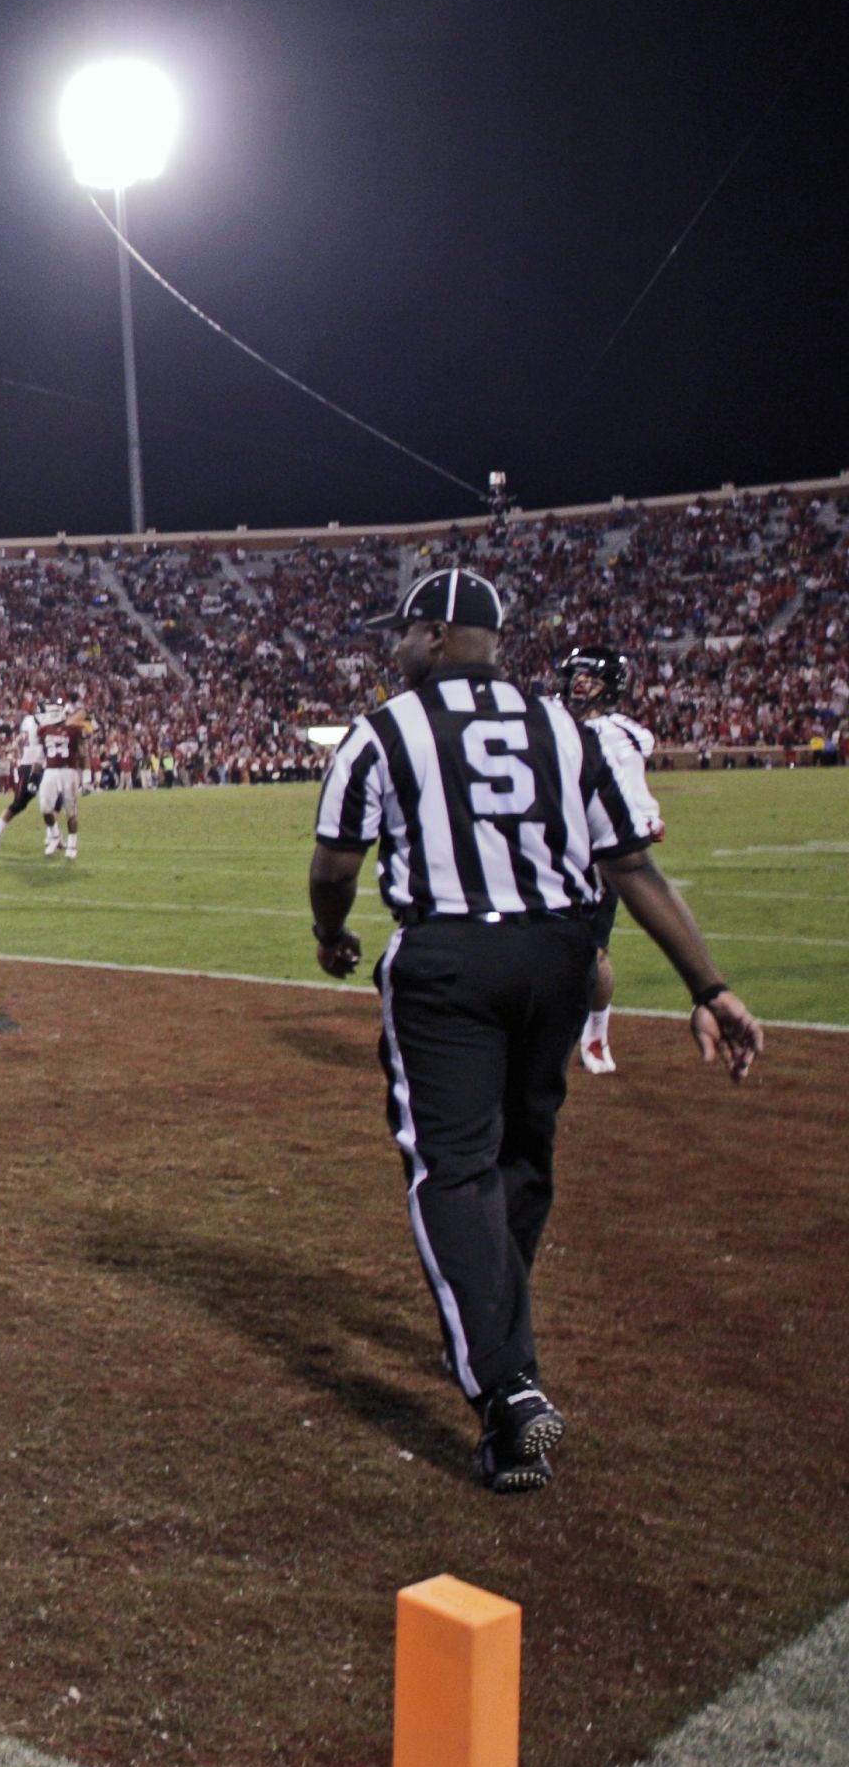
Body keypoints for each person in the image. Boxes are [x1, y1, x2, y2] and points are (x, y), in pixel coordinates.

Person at [309, 569, 761, 1493]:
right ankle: (493, 1339)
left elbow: (334, 863)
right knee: (523, 1151)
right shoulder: (567, 726)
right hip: (558, 957)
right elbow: (631, 866)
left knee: (451, 1165)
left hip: (449, 961)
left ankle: (507, 1388)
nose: (393, 650)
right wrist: (711, 986)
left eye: (402, 634)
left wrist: (330, 931)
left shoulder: (385, 729)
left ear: (436, 635)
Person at [550, 644, 659, 1076]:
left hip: (592, 856)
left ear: (609, 686)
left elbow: (632, 795)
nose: (579, 685)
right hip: (544, 852)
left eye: (590, 678)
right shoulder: (547, 719)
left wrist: (646, 819)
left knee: (591, 954)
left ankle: (596, 1032)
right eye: (575, 675)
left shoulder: (617, 734)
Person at [35, 702, 95, 859]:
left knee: (70, 811)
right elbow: (41, 755)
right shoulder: (44, 730)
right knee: (45, 808)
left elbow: (83, 754)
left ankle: (72, 844)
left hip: (69, 770)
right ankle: (55, 836)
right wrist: (34, 778)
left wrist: (87, 778)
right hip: (50, 771)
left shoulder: (74, 730)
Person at [0, 708, 47, 852]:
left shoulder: (28, 721)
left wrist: (18, 748)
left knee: (52, 801)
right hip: (34, 766)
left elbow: (20, 738)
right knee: (19, 803)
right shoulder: (40, 724)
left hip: (34, 764)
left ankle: (54, 836)